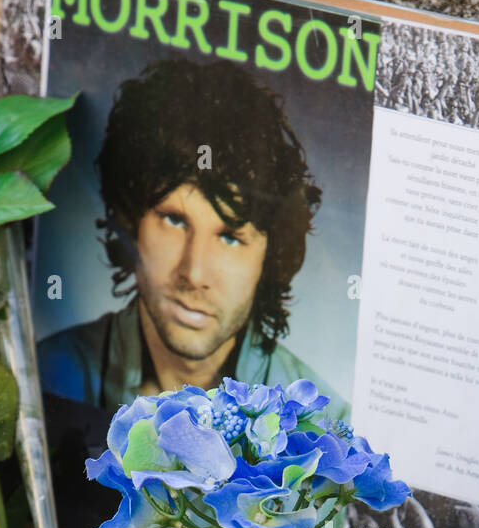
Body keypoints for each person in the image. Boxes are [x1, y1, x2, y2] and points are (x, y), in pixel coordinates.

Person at [38, 58, 344, 418]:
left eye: (230, 237)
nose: (194, 273)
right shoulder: (47, 377)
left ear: (271, 259)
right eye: (174, 220)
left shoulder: (323, 429)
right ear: (130, 220)